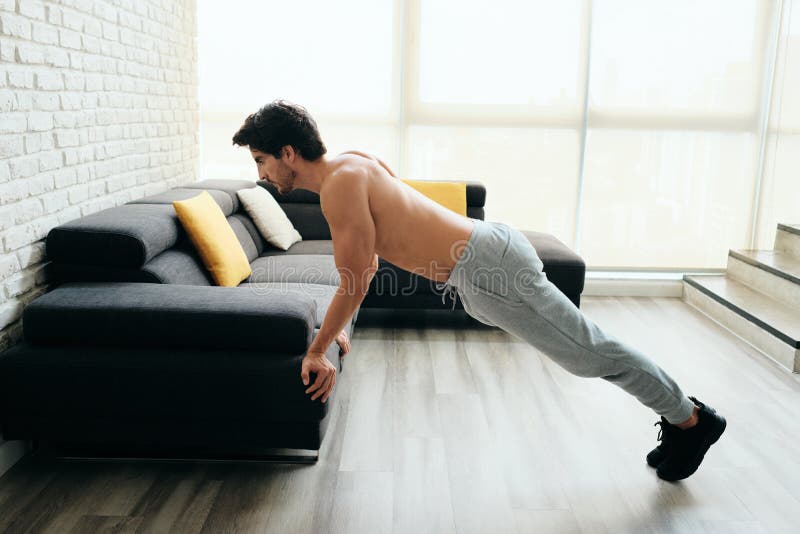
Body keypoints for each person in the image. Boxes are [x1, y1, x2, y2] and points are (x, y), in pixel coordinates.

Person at [232, 100, 726, 482]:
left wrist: (317, 348)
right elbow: (371, 260)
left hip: (489, 267)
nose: (262, 174)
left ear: (288, 153)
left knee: (589, 352)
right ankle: (680, 413)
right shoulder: (353, 162)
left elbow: (356, 277)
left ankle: (691, 420)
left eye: (262, 161)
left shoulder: (339, 187)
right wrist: (334, 327)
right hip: (483, 263)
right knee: (586, 351)